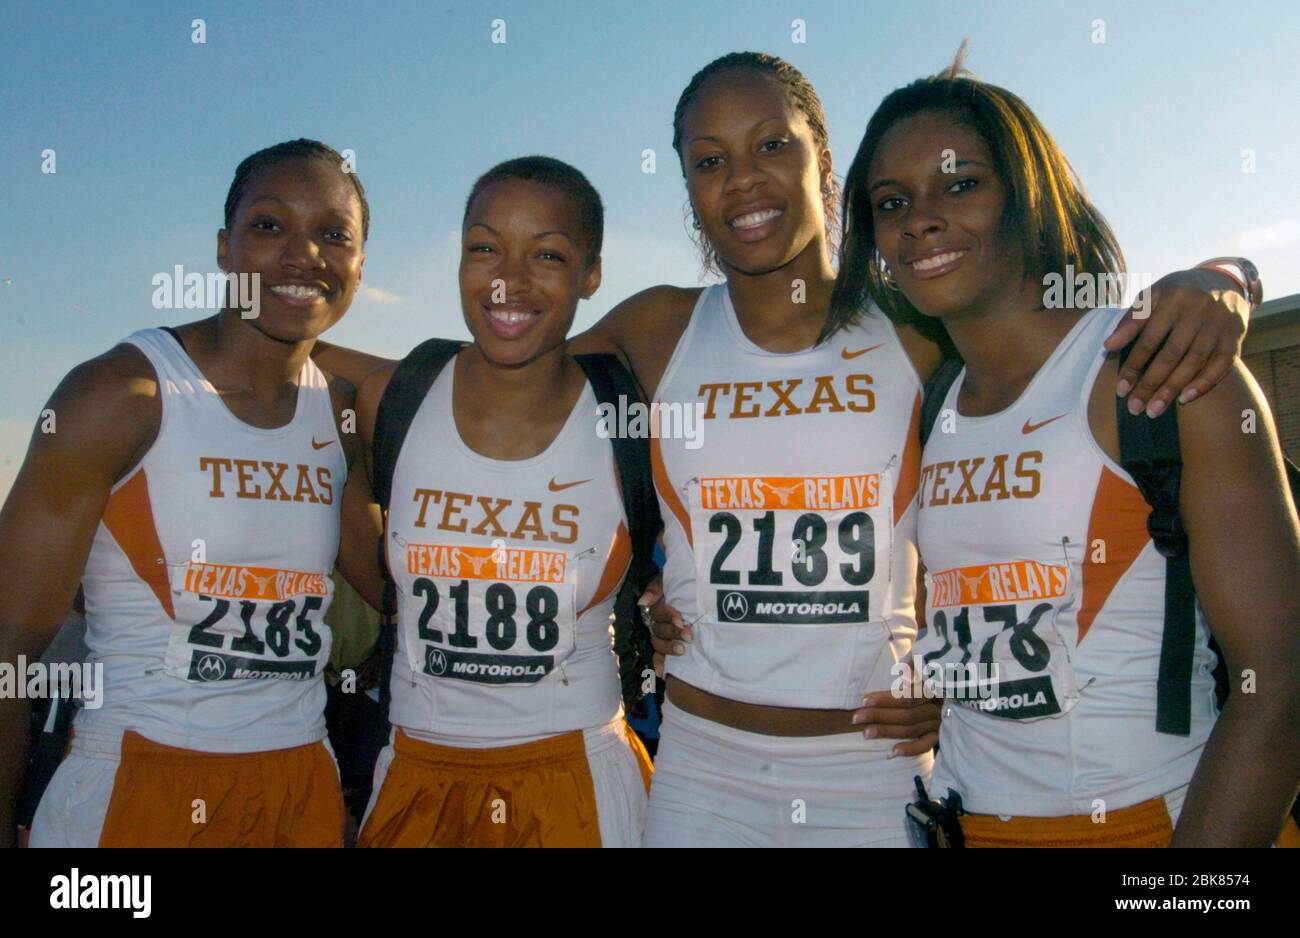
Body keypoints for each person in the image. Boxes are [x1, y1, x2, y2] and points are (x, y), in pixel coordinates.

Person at [316, 52, 1255, 848]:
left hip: (876, 772)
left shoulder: (917, 324)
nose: (743, 180)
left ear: (824, 162)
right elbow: (498, 373)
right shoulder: (657, 330)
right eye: (709, 160)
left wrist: (1225, 279)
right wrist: (288, 347)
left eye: (772, 145)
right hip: (700, 770)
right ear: (688, 188)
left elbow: (1046, 381)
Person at [834, 55, 1299, 846]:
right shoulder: (933, 401)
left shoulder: (1158, 371)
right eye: (892, 202)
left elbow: (1281, 680)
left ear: (1030, 196)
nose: (921, 220)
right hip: (960, 821)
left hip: (1151, 825)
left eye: (960, 184)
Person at [0, 138, 367, 847]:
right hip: (140, 788)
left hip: (301, 787)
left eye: (333, 235)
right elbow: (8, 651)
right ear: (225, 250)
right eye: (269, 225)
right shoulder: (119, 394)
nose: (304, 255)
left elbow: (394, 588)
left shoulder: (342, 413)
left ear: (360, 264)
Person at [340, 157, 655, 848]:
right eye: (485, 248)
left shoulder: (630, 417)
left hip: (576, 778)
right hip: (415, 774)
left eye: (548, 255)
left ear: (592, 275)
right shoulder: (391, 399)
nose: (509, 279)